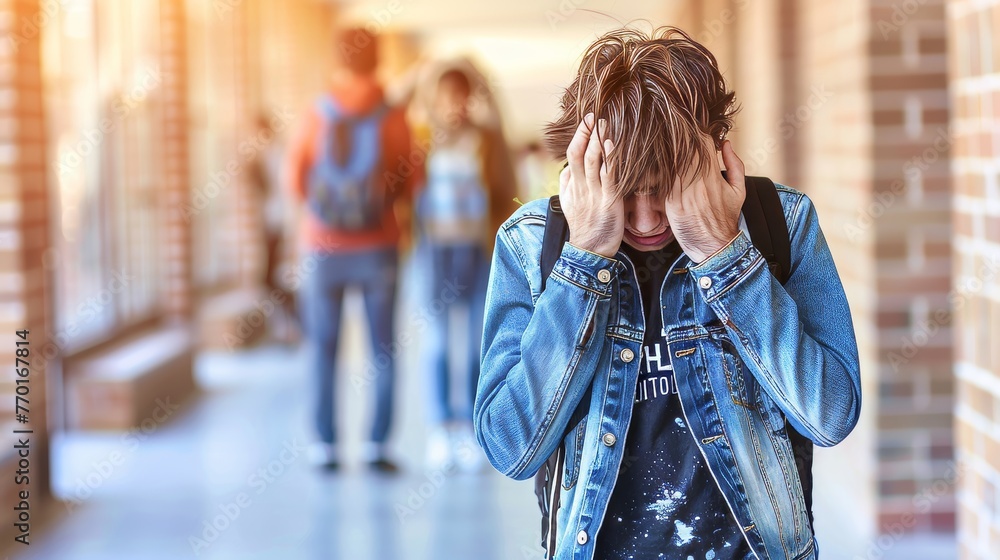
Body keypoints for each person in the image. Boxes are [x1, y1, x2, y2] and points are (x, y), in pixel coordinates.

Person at [474, 27, 861, 559]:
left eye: (665, 186)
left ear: (714, 152)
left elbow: (830, 415)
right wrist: (583, 262)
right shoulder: (530, 247)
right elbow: (511, 447)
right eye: (625, 191)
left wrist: (726, 258)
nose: (647, 217)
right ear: (582, 164)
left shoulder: (780, 223)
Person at [284, 27, 418, 473]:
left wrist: (327, 213)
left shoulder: (315, 113)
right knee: (383, 349)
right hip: (378, 245)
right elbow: (411, 180)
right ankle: (376, 445)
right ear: (377, 62)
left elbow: (294, 180)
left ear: (339, 61)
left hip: (322, 248)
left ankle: (325, 445)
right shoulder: (392, 115)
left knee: (323, 346)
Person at [412, 62, 518, 471]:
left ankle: (474, 431)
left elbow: (506, 180)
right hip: (435, 253)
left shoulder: (486, 139)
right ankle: (442, 428)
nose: (454, 105)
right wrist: (427, 75)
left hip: (477, 252)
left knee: (478, 344)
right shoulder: (423, 139)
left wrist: (485, 84)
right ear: (436, 99)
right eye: (446, 96)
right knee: (438, 345)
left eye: (461, 96)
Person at [248, 112, 298, 344]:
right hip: (273, 221)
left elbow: (278, 191)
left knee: (270, 279)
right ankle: (287, 326)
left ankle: (290, 326)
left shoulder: (275, 153)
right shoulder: (272, 153)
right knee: (270, 279)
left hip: (276, 223)